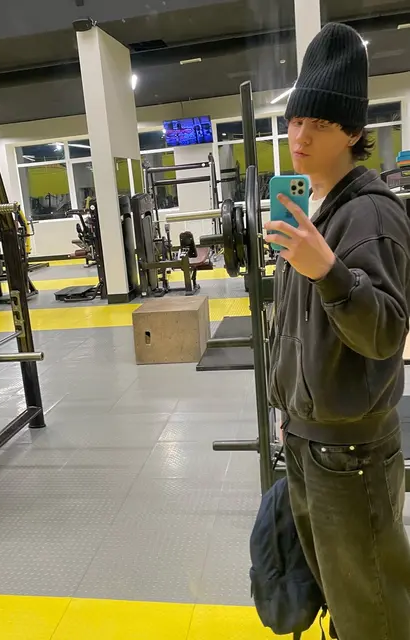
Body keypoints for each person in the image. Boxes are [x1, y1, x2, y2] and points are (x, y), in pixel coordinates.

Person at [264, 22, 410, 640]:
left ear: (352, 131)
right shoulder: (313, 209)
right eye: (295, 120)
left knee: (373, 610)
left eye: (319, 124)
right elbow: (298, 328)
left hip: (350, 455)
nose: (299, 137)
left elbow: (385, 332)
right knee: (339, 597)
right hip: (309, 440)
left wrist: (327, 271)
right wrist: (289, 411)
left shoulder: (371, 214)